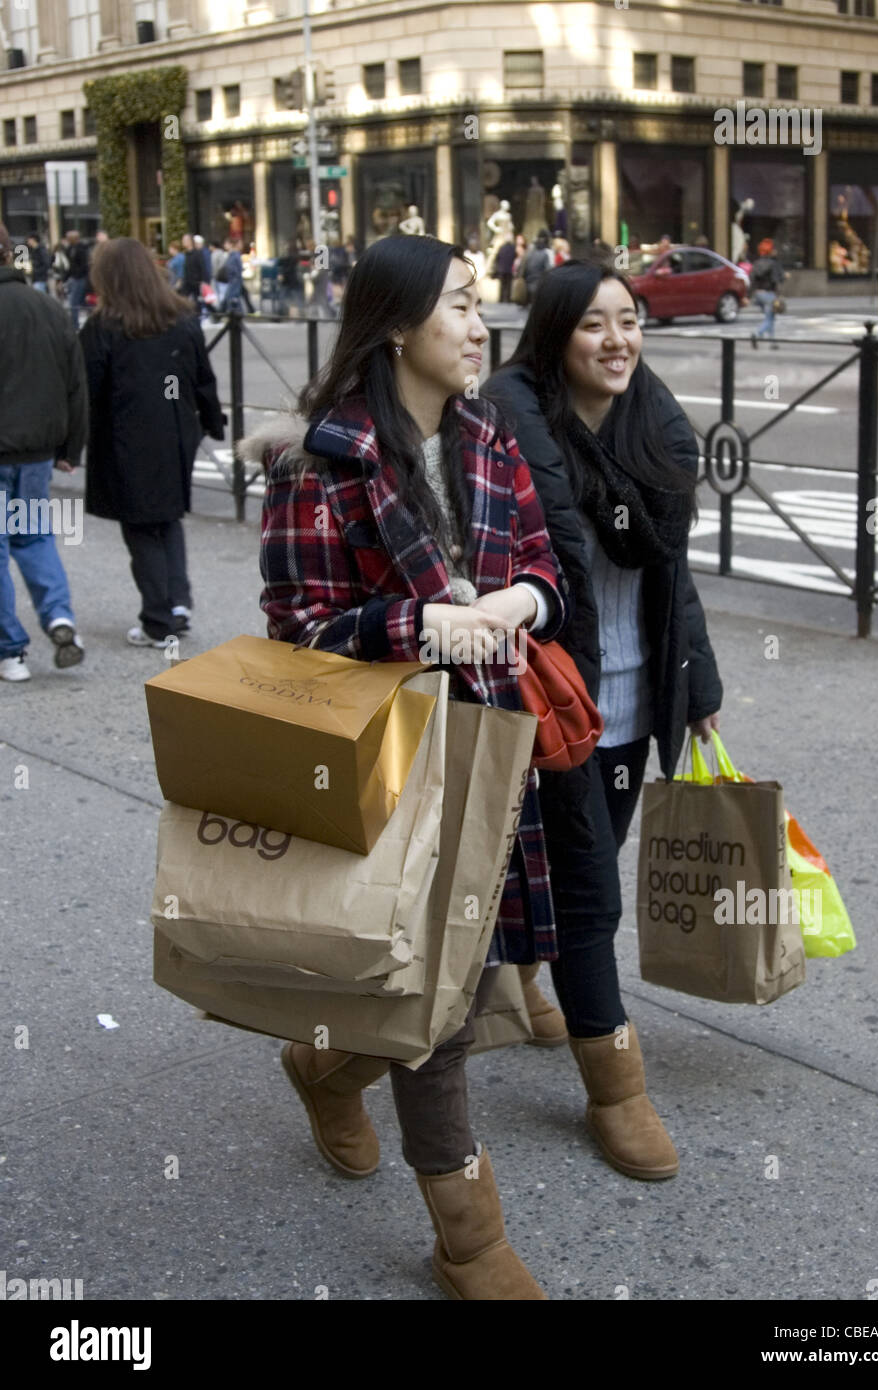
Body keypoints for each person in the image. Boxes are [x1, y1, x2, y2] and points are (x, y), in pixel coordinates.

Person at [248, 234, 569, 1300]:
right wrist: (425, 625)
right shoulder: (321, 463)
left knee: (461, 980)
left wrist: (519, 603)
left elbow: (540, 565)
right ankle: (468, 1236)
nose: (481, 326)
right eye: (460, 307)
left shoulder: (486, 433)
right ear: (396, 326)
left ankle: (325, 1066)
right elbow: (293, 637)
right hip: (382, 758)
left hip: (487, 752)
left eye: (483, 306)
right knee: (434, 994)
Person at [484, 260, 723, 1177]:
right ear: (553, 335)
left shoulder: (650, 420)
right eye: (593, 324)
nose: (617, 340)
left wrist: (697, 688)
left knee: (585, 864)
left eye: (628, 320)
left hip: (631, 698)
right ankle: (616, 1087)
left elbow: (669, 575)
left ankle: (522, 979)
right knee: (590, 890)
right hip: (549, 698)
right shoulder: (508, 421)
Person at [78, 237, 225, 649]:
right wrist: (214, 423)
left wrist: (69, 445)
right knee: (168, 518)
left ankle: (158, 620)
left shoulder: (104, 326)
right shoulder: (181, 318)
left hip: (125, 438)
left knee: (141, 527)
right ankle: (177, 603)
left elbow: (86, 391)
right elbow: (202, 381)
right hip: (176, 433)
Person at [0, 223, 88, 681]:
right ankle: (59, 617)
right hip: (35, 451)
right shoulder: (49, 308)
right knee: (34, 537)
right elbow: (76, 385)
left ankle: (10, 651)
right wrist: (70, 447)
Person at [749, 237, 785, 348]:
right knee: (770, 318)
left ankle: (772, 342)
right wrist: (778, 294)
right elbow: (776, 280)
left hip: (758, 294)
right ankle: (757, 333)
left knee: (770, 317)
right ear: (770, 251)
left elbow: (752, 279)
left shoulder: (756, 263)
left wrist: (748, 295)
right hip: (769, 294)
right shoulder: (773, 264)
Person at [63, 229, 90, 329]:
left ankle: (75, 325)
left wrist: (77, 274)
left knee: (74, 302)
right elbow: (69, 265)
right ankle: (75, 323)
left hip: (79, 278)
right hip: (73, 278)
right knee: (78, 301)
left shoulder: (81, 249)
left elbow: (84, 265)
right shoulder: (70, 249)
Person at [522, 229, 553, 303]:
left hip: (529, 281)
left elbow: (526, 266)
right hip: (540, 283)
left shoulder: (531, 250)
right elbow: (548, 269)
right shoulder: (547, 252)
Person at [493, 235, 516, 302]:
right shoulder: (512, 248)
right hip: (509, 269)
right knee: (509, 285)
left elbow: (497, 258)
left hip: (502, 269)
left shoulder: (502, 248)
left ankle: (501, 299)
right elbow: (514, 257)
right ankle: (508, 299)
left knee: (502, 285)